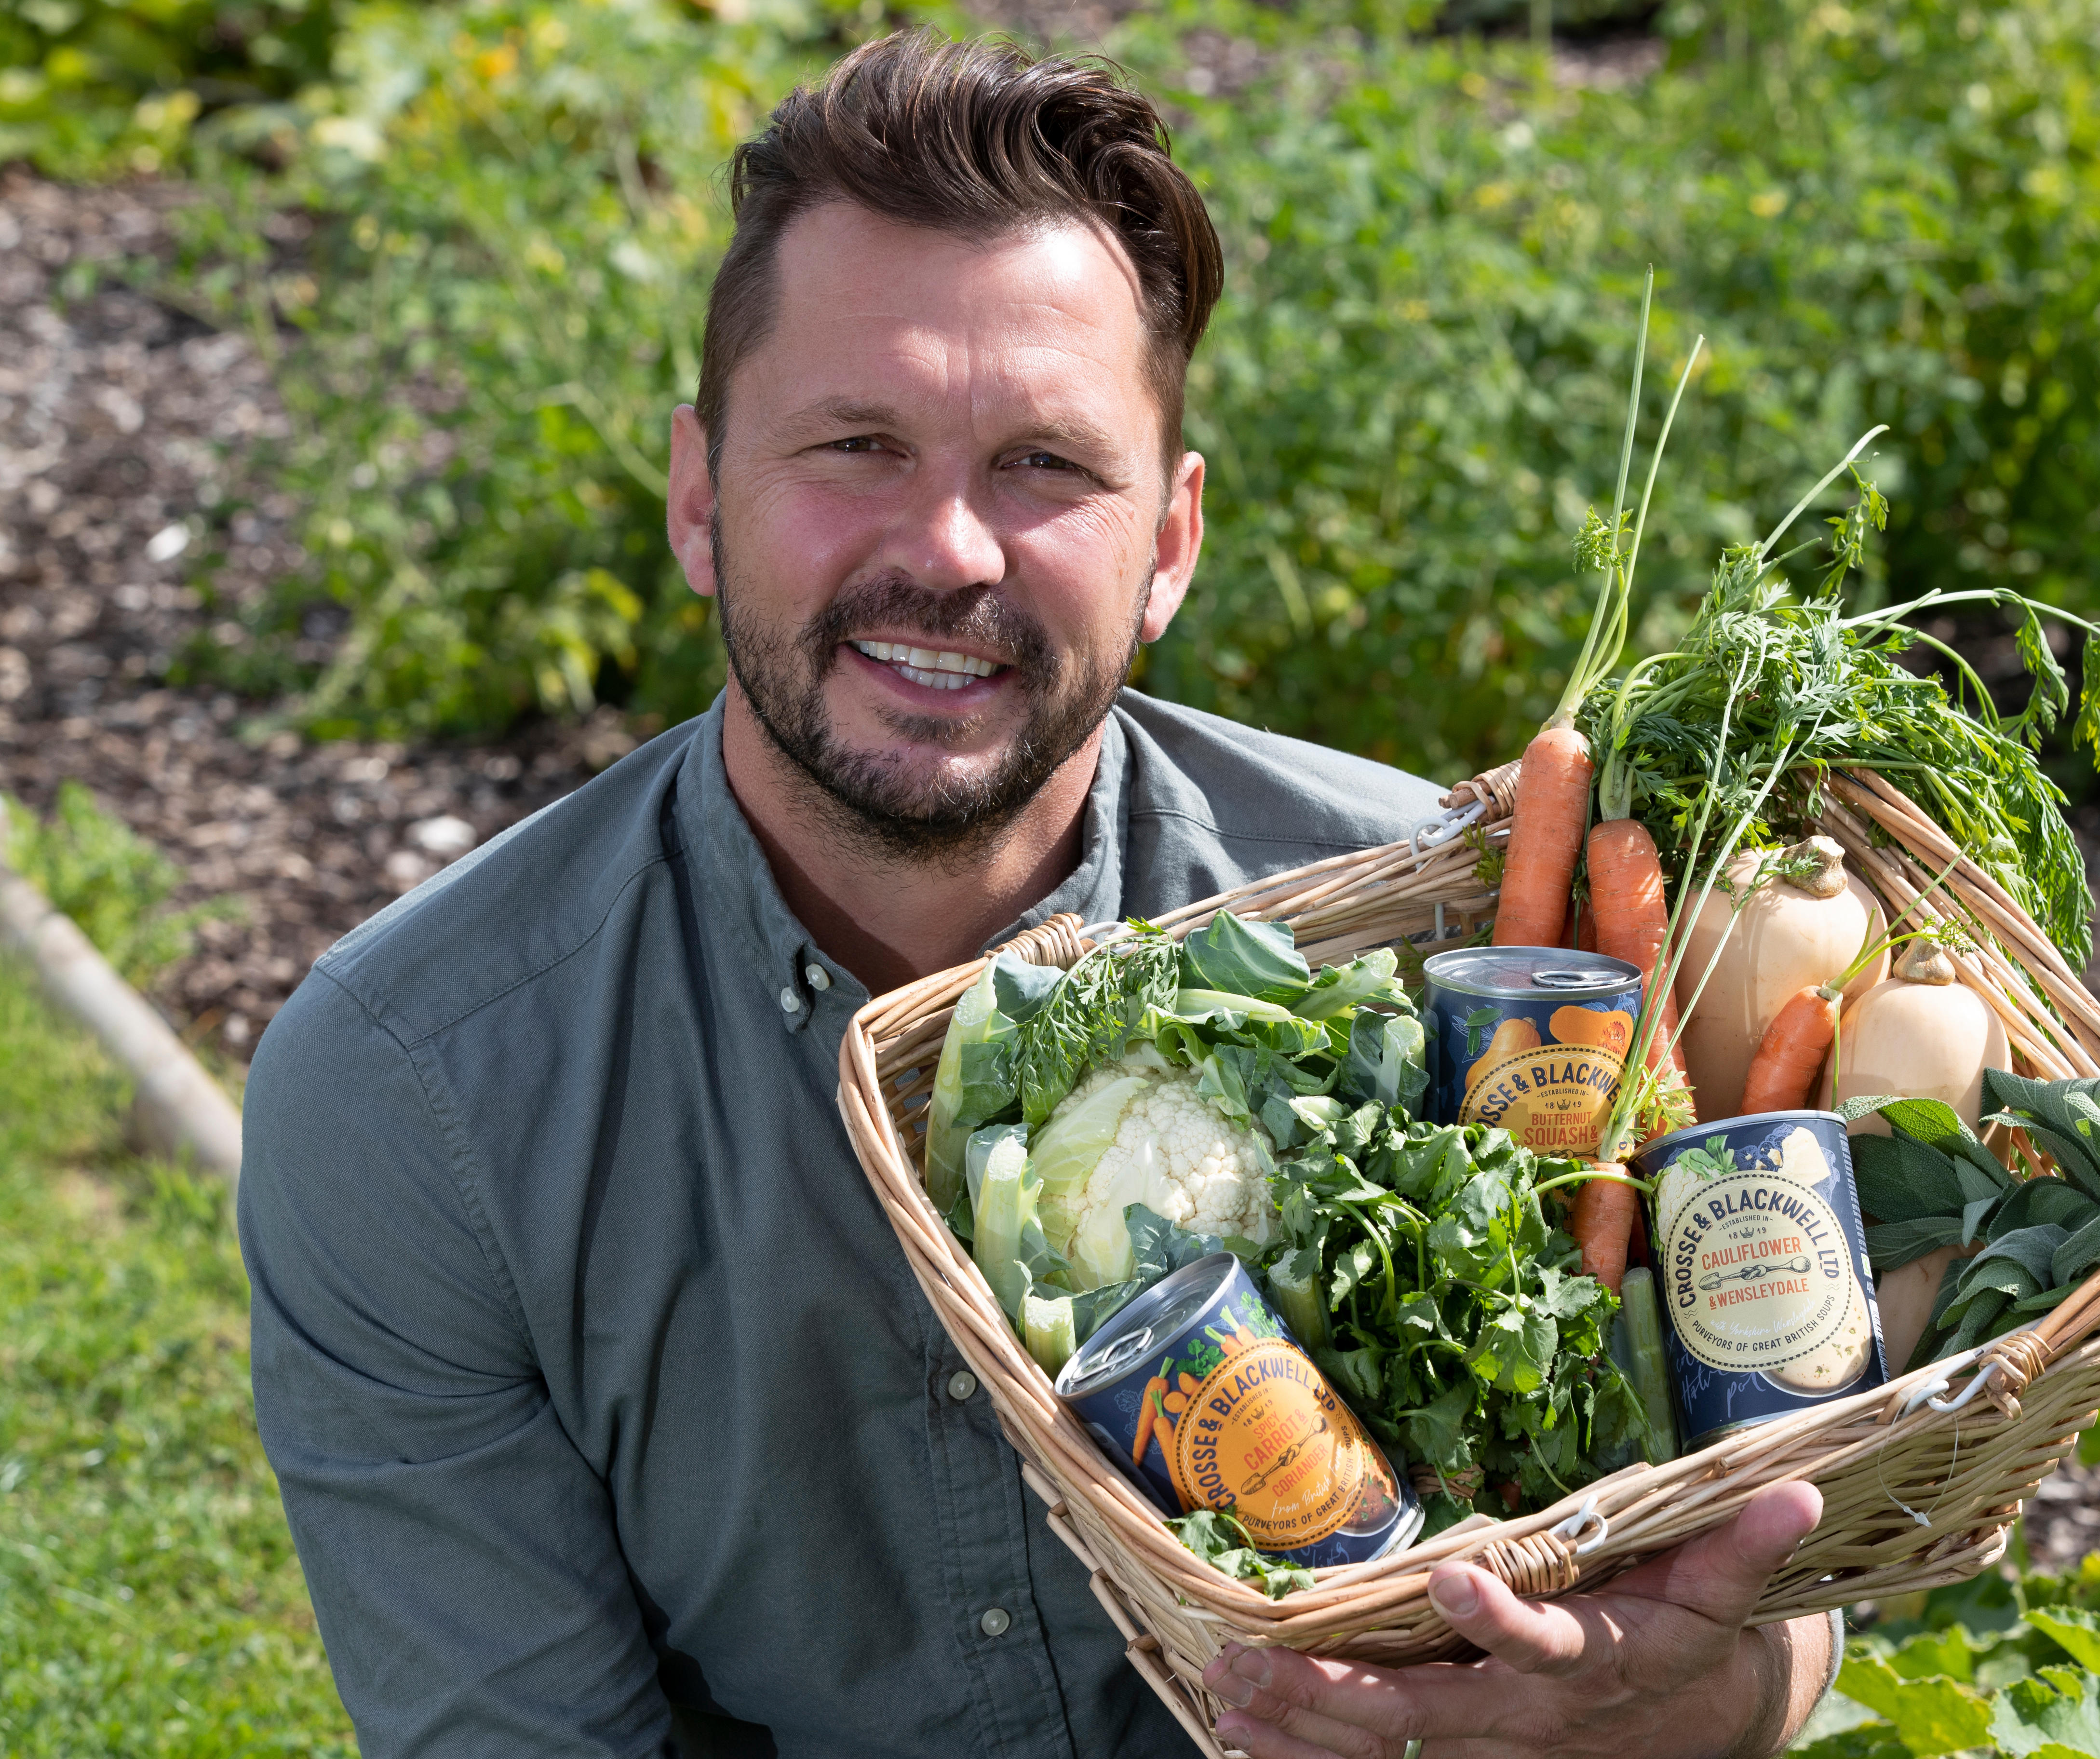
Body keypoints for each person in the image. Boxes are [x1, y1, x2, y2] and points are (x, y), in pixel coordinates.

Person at [239, 29, 1840, 1759]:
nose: (951, 551)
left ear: (1170, 546)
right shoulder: (422, 1087)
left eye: (1045, 467)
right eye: (857, 443)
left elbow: (1772, 1554)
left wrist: (1709, 1698)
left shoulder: (1458, 947)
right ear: (702, 498)